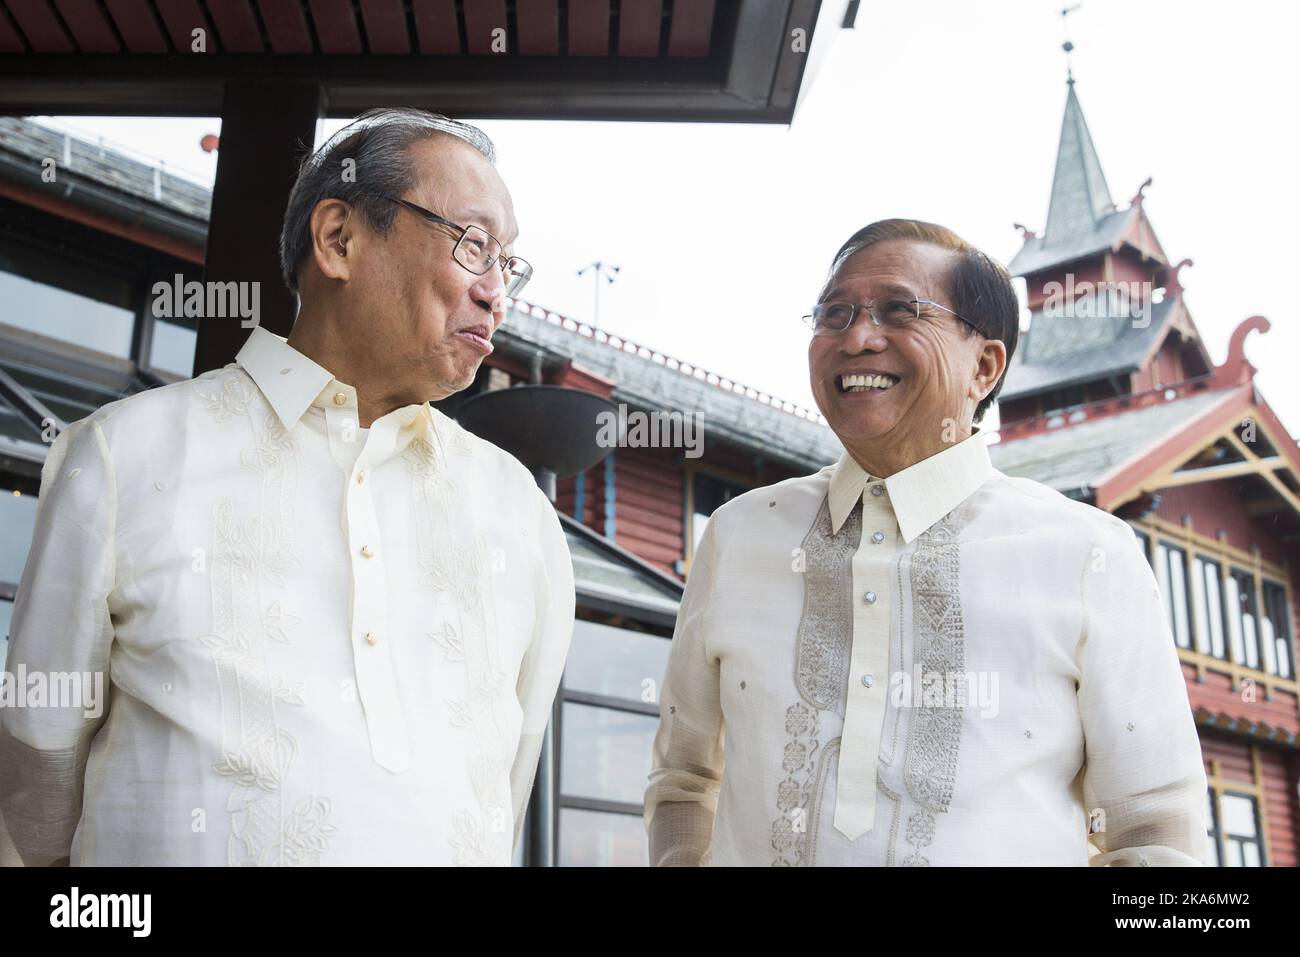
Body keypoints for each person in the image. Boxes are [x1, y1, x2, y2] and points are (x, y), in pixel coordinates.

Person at [0, 109, 574, 866]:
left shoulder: (522, 519)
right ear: (338, 238)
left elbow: (508, 785)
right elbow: (35, 799)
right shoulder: (120, 457)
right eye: (474, 246)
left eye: (509, 264)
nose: (496, 294)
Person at [644, 219, 1206, 866]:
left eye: (900, 311)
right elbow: (683, 781)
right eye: (834, 314)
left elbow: (1155, 828)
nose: (856, 337)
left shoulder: (1087, 554)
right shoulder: (739, 535)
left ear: (985, 365)